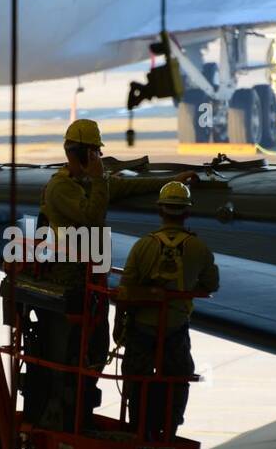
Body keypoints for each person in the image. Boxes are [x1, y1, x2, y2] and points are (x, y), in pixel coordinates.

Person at [30, 118, 193, 431]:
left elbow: (127, 186)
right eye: (93, 154)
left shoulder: (92, 183)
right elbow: (92, 216)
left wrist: (174, 181)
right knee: (70, 352)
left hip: (91, 281)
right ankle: (64, 412)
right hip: (68, 281)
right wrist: (100, 180)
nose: (97, 160)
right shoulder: (61, 188)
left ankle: (79, 408)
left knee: (95, 348)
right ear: (79, 154)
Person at [116, 180, 219, 439]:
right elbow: (212, 283)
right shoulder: (199, 249)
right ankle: (170, 428)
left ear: (161, 211)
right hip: (175, 326)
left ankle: (138, 426)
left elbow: (126, 288)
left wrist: (120, 325)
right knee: (178, 376)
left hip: (142, 326)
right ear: (186, 212)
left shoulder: (143, 246)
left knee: (136, 376)